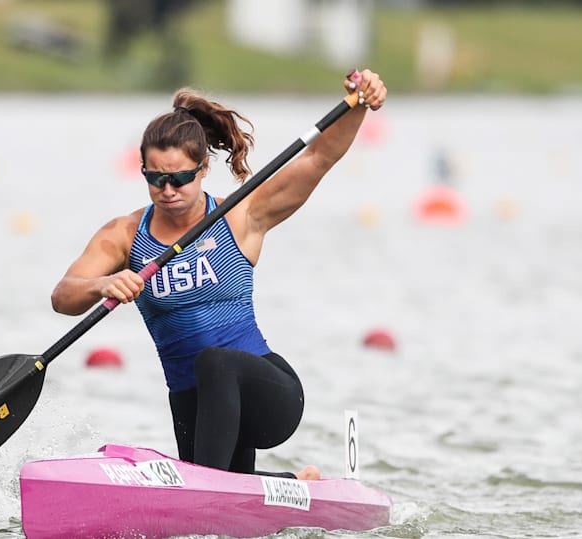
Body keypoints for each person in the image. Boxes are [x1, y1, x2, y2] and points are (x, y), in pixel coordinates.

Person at [51, 68, 387, 479]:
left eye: (178, 178)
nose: (167, 189)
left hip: (268, 396)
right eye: (155, 178)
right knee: (230, 490)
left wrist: (359, 104)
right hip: (194, 402)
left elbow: (318, 157)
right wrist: (101, 284)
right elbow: (63, 295)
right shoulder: (124, 236)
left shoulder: (241, 216)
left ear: (203, 168)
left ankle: (205, 485)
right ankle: (293, 486)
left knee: (214, 362)